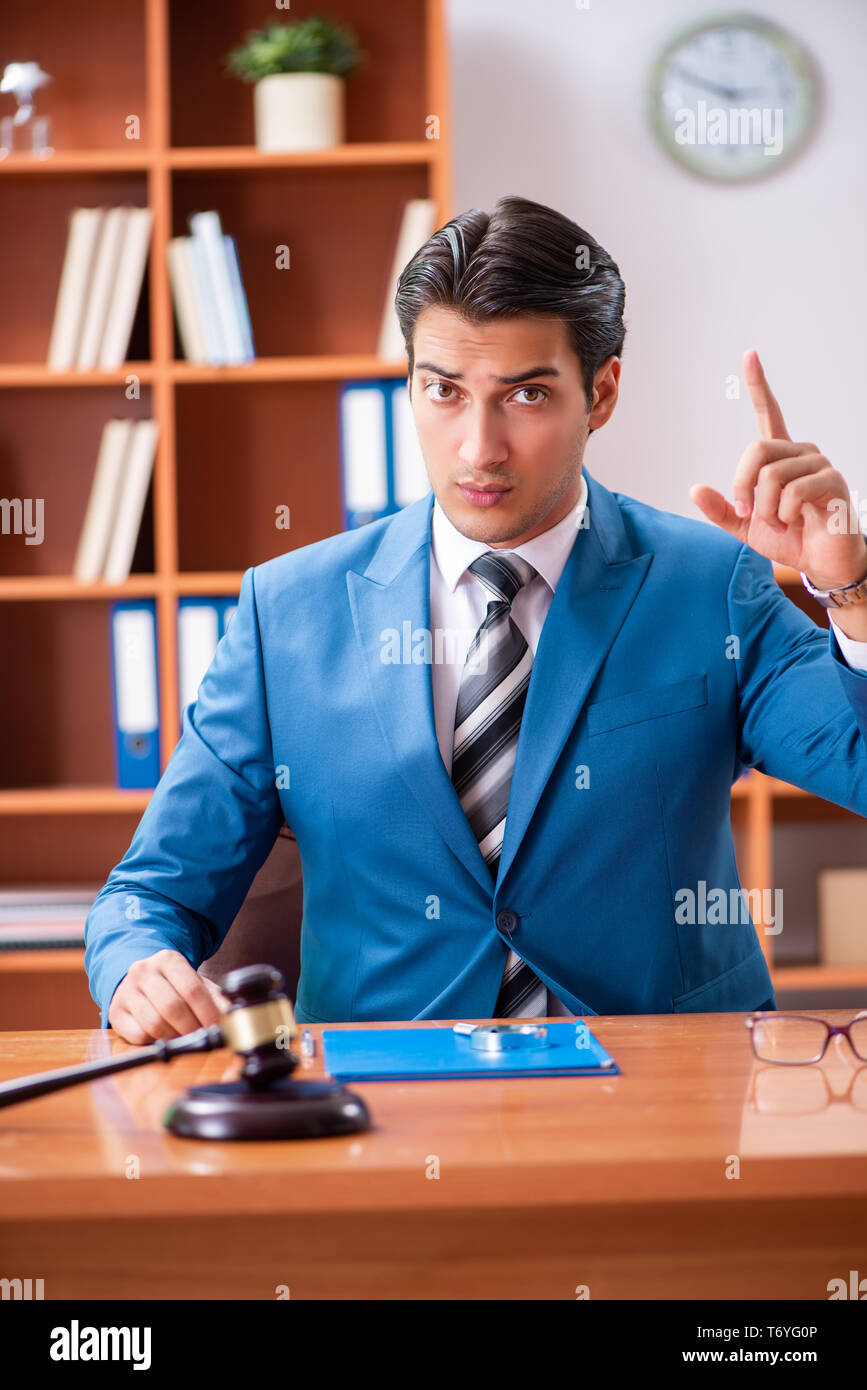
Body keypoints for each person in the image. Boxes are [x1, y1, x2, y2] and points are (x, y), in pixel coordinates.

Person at [85, 195, 867, 1044]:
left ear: (599, 393)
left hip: (664, 1088)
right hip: (381, 1100)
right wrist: (136, 966)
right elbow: (152, 892)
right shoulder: (289, 614)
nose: (477, 448)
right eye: (444, 392)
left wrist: (850, 588)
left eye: (525, 395)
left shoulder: (709, 584)